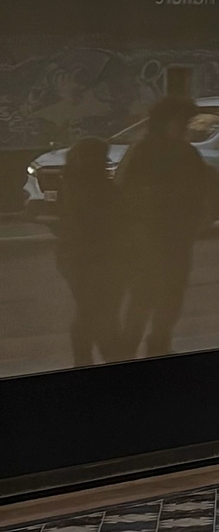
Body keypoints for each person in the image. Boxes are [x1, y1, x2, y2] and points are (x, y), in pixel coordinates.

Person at [116, 96, 219, 358]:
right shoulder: (144, 151)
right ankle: (130, 351)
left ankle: (156, 346)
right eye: (181, 121)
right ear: (166, 121)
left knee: (169, 296)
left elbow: (202, 191)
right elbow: (124, 193)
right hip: (148, 238)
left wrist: (200, 217)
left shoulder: (185, 152)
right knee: (145, 296)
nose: (185, 127)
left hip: (175, 238)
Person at [52, 135, 125, 365]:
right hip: (95, 260)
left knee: (89, 311)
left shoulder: (71, 185)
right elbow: (107, 223)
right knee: (100, 311)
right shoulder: (97, 189)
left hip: (76, 259)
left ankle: (86, 359)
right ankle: (105, 354)